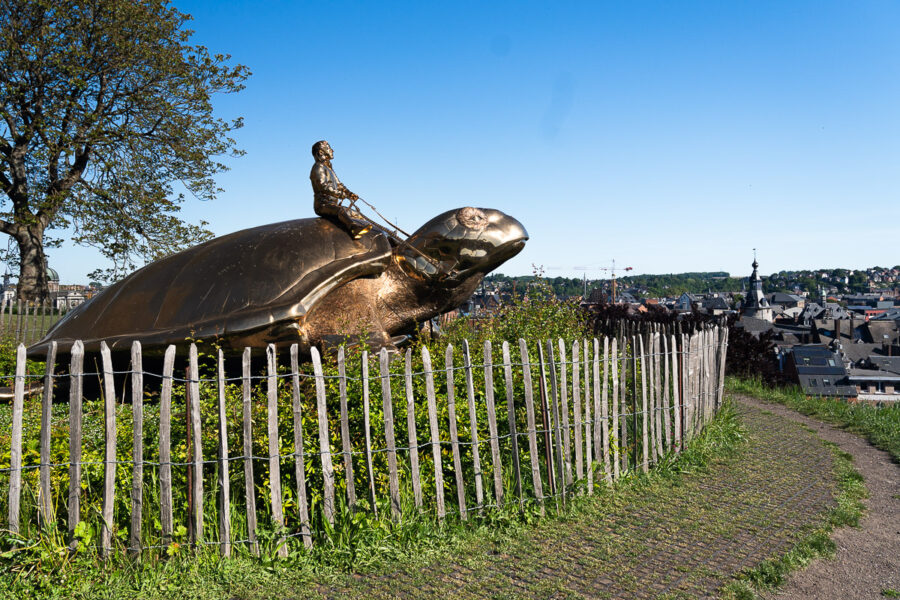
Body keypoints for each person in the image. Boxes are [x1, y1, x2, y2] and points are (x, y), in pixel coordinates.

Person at [309, 140, 372, 238]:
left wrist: (349, 193)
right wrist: (341, 194)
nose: (332, 150)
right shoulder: (318, 167)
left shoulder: (329, 169)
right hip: (323, 205)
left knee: (356, 214)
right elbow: (323, 187)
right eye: (329, 148)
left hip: (333, 204)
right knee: (340, 210)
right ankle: (353, 228)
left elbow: (339, 185)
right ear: (321, 152)